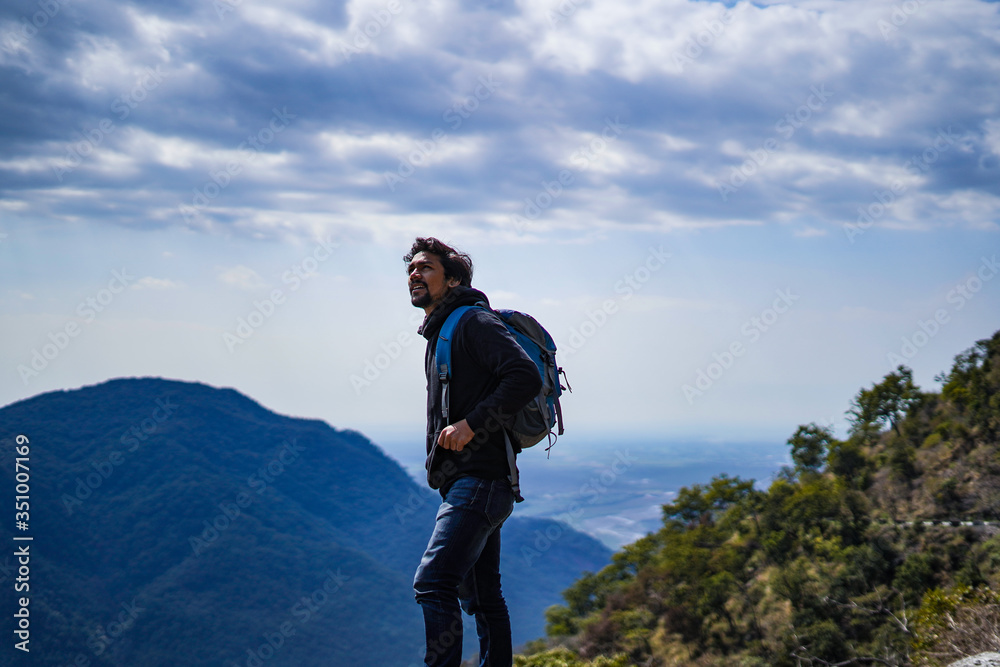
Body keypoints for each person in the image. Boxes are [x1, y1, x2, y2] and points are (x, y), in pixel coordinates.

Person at [405, 237, 542, 667]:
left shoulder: (472, 323)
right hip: (480, 483)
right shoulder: (443, 331)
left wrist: (470, 425)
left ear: (455, 279)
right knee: (483, 597)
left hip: (479, 480)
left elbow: (523, 376)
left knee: (433, 582)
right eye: (411, 269)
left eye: (426, 267)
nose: (415, 274)